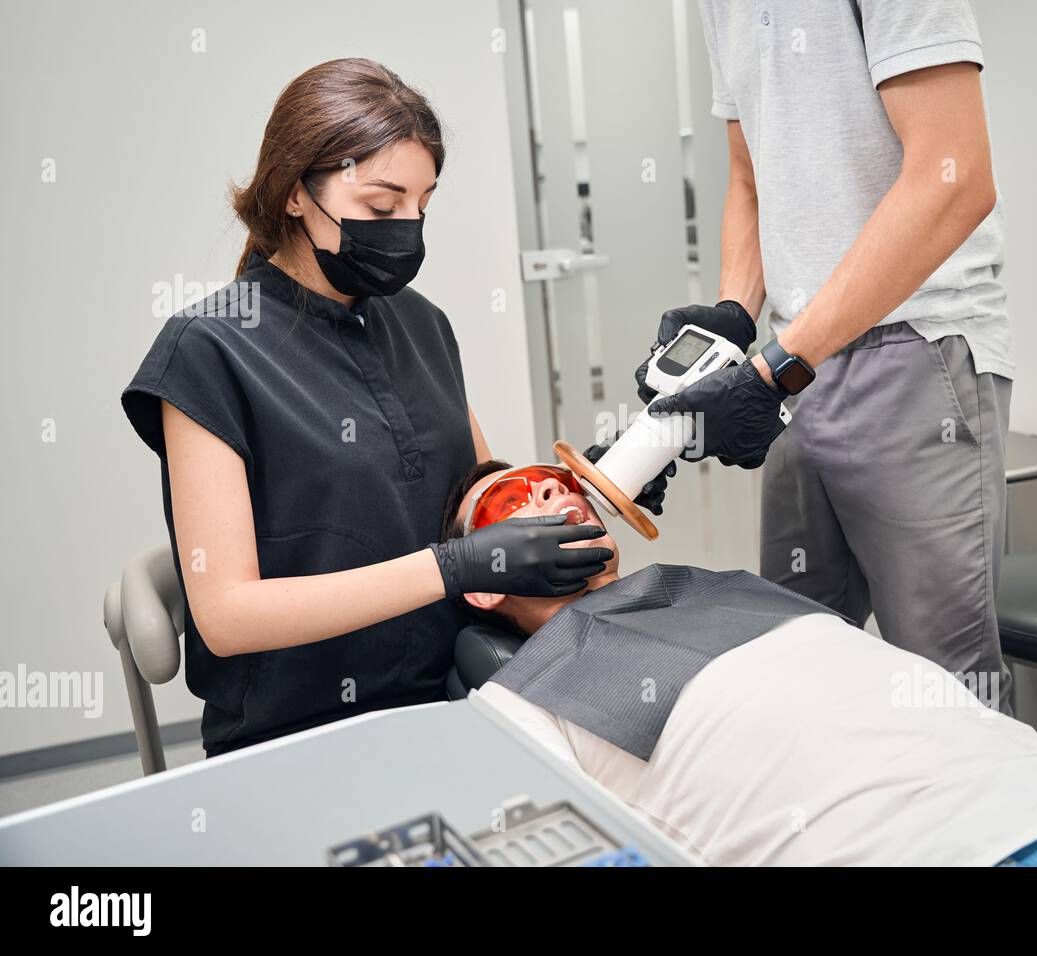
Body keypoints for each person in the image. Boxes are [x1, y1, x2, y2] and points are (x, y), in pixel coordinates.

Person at [120, 59, 668, 757]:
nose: (407, 227)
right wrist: (454, 567)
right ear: (294, 193)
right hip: (303, 730)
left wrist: (593, 483)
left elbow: (476, 501)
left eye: (423, 204)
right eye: (383, 207)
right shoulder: (209, 351)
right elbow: (227, 616)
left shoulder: (422, 324)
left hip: (468, 687)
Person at [440, 459, 1037, 867]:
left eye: (553, 481)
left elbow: (957, 743)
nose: (550, 496)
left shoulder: (727, 589)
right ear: (481, 585)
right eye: (512, 505)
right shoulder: (526, 700)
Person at [639, 0, 1016, 712]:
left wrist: (781, 364)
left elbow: (955, 172)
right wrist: (731, 315)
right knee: (799, 648)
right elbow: (749, 182)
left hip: (913, 343)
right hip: (795, 353)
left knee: (942, 686)